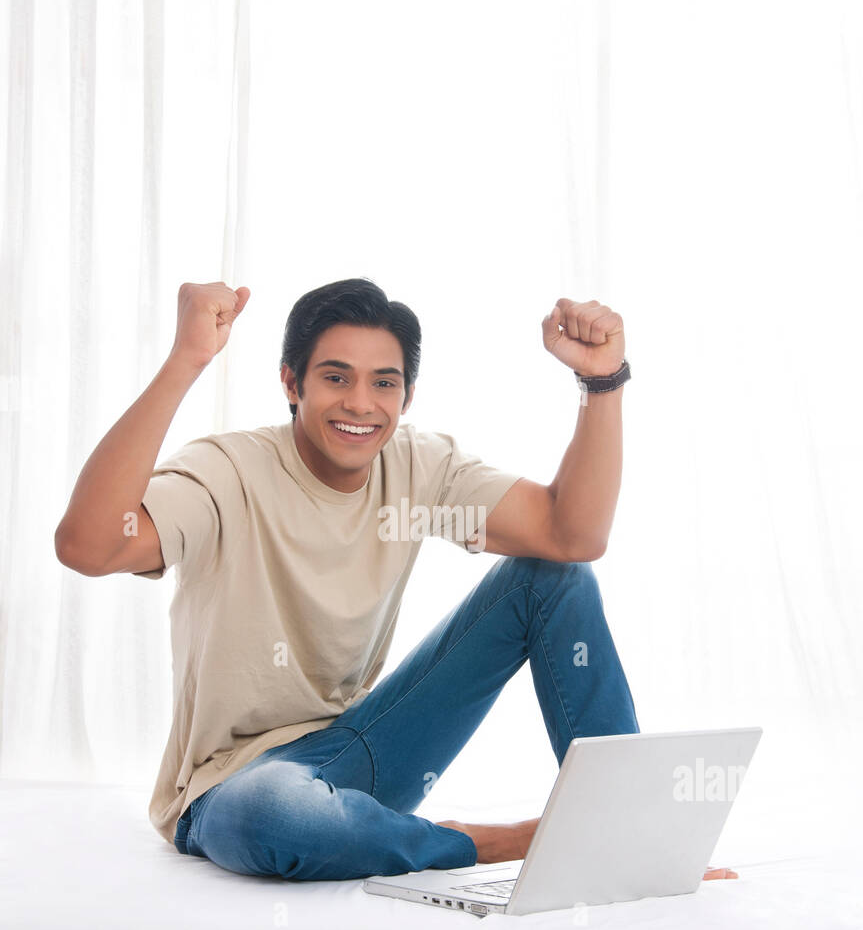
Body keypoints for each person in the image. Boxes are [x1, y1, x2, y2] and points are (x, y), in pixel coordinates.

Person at [54, 278, 737, 884]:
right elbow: (87, 546)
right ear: (291, 383)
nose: (360, 402)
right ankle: (525, 840)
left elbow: (573, 535)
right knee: (274, 815)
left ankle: (626, 830)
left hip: (368, 749)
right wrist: (188, 360)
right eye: (334, 377)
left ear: (406, 396)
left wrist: (602, 382)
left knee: (551, 578)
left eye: (383, 382)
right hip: (236, 785)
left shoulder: (416, 470)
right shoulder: (228, 473)